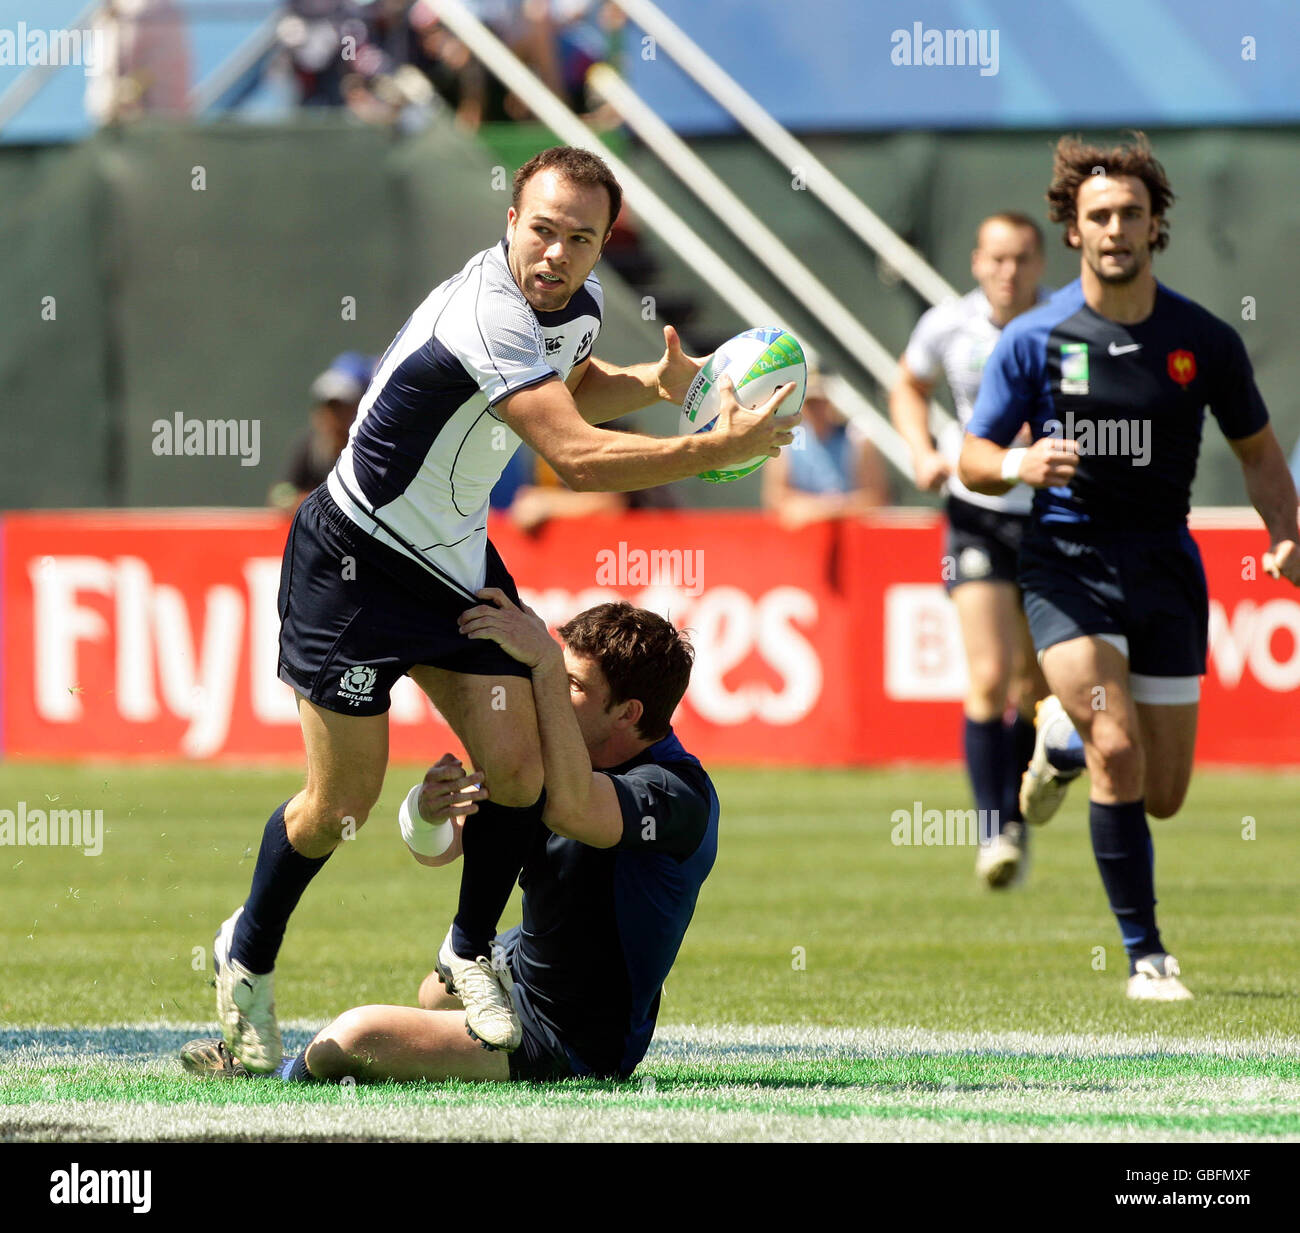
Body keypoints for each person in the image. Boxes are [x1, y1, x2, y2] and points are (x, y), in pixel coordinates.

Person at [213, 144, 798, 1072]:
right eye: (542, 229)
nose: (557, 254)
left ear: (603, 245)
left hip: (452, 559)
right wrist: (712, 449)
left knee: (521, 762)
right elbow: (572, 455)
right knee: (340, 806)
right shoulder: (487, 310)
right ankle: (247, 953)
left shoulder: (576, 307)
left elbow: (570, 384)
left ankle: (467, 947)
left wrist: (650, 384)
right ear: (510, 222)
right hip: (356, 562)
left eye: (581, 238)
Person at [959, 133, 1300, 999]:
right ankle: (1146, 954)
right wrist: (1017, 467)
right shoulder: (1032, 341)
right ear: (1072, 231)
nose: (1115, 228)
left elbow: (1260, 453)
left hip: (1165, 566)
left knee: (1165, 793)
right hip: (1065, 562)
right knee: (1120, 748)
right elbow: (971, 455)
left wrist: (1285, 531)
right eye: (1097, 215)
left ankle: (1060, 739)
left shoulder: (1203, 340)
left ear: (1156, 227)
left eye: (1131, 215)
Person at [185, 599, 715, 1084]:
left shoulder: (674, 792)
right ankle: (498, 980)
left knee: (352, 1040)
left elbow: (574, 809)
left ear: (628, 713)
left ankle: (273, 1073)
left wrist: (545, 664)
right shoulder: (552, 755)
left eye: (571, 684)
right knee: (435, 991)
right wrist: (428, 809)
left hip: (575, 1039)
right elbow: (437, 849)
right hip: (527, 961)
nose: (546, 689)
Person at [889, 213, 1050, 889]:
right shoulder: (947, 324)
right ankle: (995, 832)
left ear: (1040, 264)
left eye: (1021, 259)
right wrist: (923, 450)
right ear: (977, 263)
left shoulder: (1066, 326)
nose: (1008, 271)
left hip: (1050, 518)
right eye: (996, 259)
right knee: (987, 676)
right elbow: (908, 384)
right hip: (976, 514)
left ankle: (1016, 810)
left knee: (1036, 686)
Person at [763, 371, 891, 528]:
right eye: (810, 403)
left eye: (820, 402)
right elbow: (775, 497)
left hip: (851, 537)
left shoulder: (856, 438)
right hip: (804, 539)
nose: (816, 410)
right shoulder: (786, 442)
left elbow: (875, 498)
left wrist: (821, 510)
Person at [268, 353, 375, 514]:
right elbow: (280, 493)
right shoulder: (309, 447)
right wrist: (296, 501)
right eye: (328, 405)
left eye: (342, 406)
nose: (332, 415)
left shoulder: (372, 450)